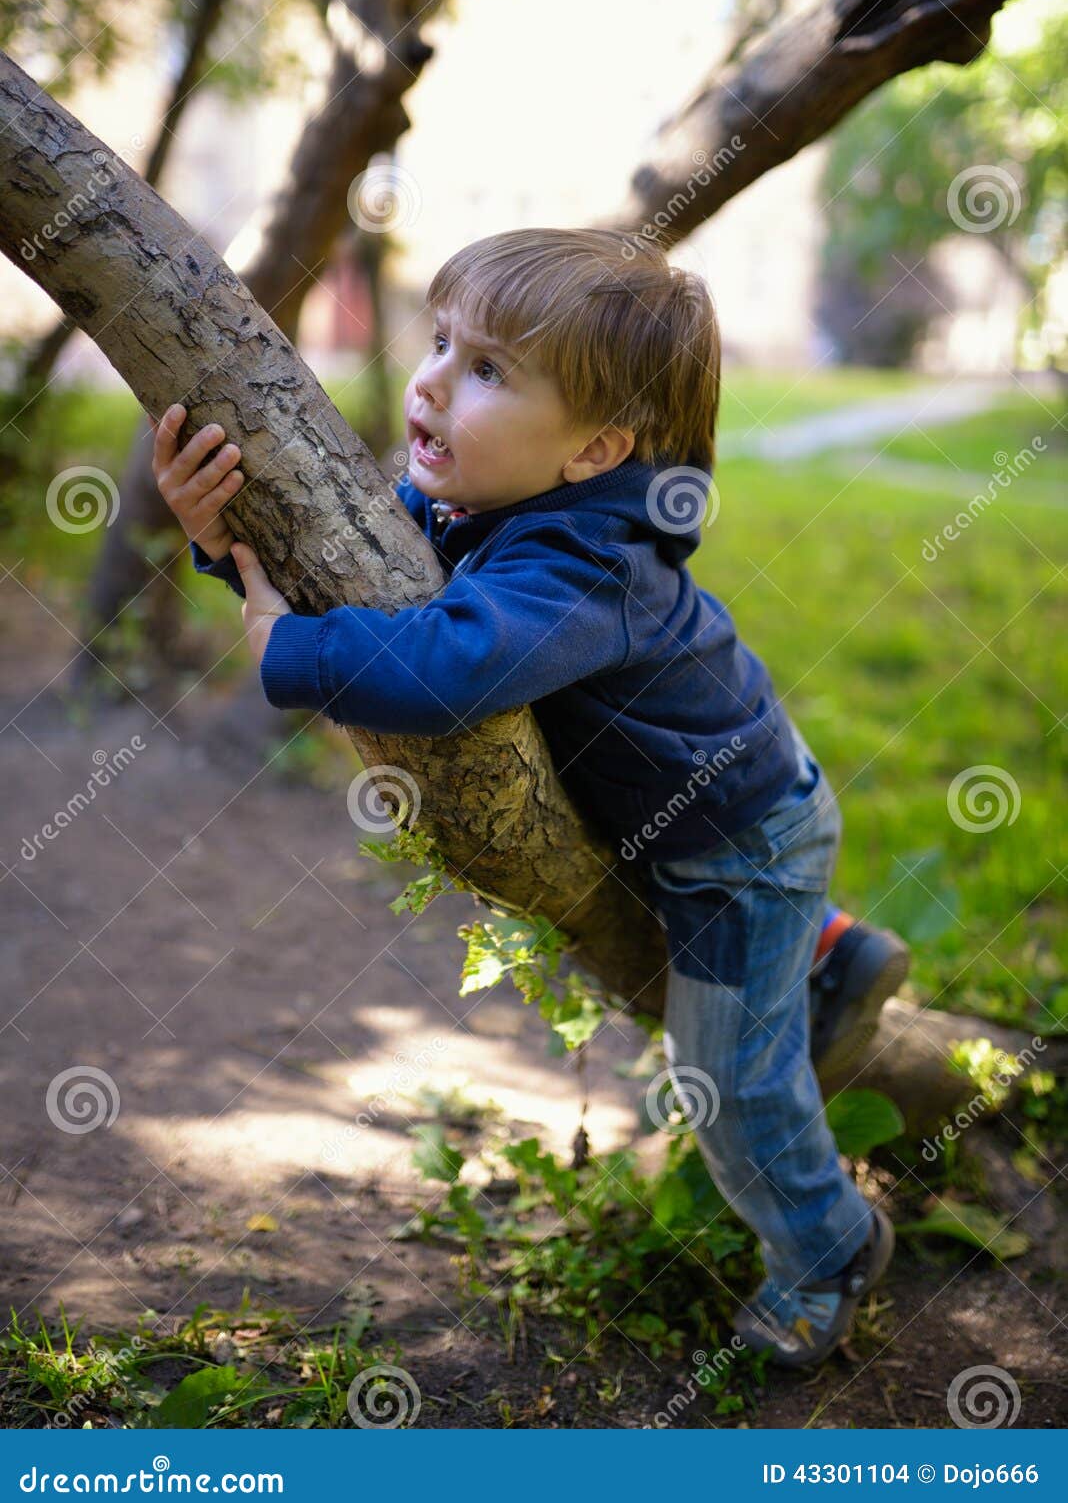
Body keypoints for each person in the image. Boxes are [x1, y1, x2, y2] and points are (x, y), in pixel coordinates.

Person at [151, 227, 908, 1366]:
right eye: (443, 340)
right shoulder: (491, 503)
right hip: (746, 797)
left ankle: (828, 1245)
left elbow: (450, 667)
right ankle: (832, 951)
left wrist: (287, 658)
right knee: (734, 1030)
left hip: (737, 853)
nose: (435, 378)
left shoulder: (584, 565)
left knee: (724, 1080)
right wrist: (226, 549)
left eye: (491, 370)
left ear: (596, 447)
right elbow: (367, 565)